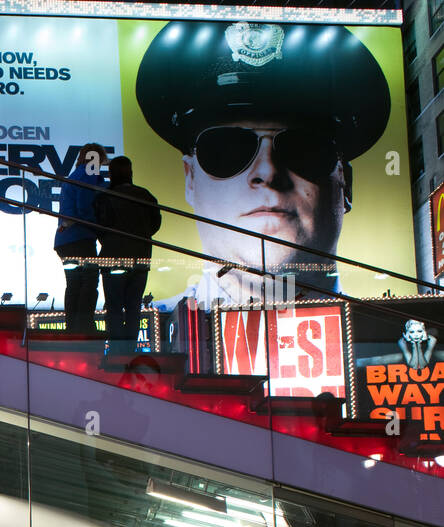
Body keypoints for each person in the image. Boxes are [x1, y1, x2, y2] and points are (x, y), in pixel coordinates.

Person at [135, 20, 390, 308]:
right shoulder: (165, 330)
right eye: (226, 150)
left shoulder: (381, 328)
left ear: (346, 185)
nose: (267, 172)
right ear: (190, 179)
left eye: (303, 149)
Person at [94, 156, 161, 354]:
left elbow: (99, 225)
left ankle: (116, 352)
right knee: (133, 307)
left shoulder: (104, 197)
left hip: (112, 258)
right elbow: (155, 225)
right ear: (131, 173)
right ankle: (130, 352)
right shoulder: (145, 196)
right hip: (140, 258)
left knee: (114, 306)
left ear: (111, 174)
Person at [53, 144, 107, 332]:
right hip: (81, 236)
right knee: (89, 281)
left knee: (74, 284)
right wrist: (99, 228)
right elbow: (84, 206)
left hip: (65, 240)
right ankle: (84, 326)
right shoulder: (88, 174)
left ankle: (72, 327)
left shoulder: (74, 176)